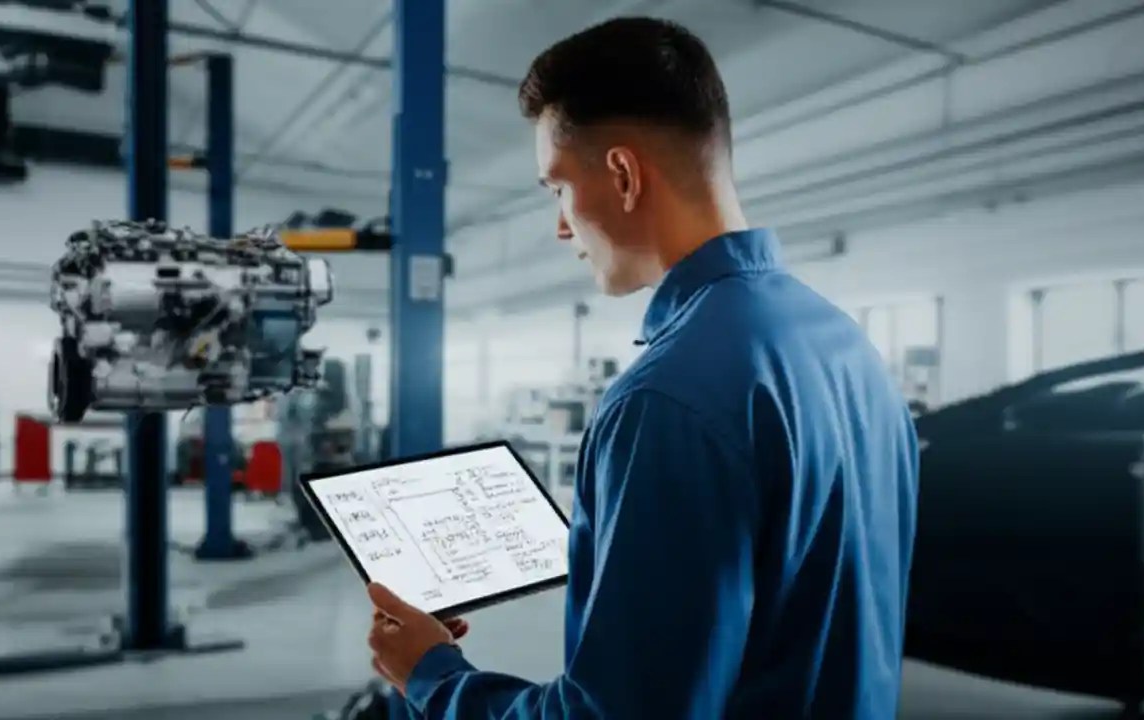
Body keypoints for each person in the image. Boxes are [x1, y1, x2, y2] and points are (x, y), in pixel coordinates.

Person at [365, 16, 919, 719]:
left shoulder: (668, 399)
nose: (561, 227)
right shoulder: (846, 344)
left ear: (623, 174)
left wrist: (433, 676)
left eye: (558, 189)